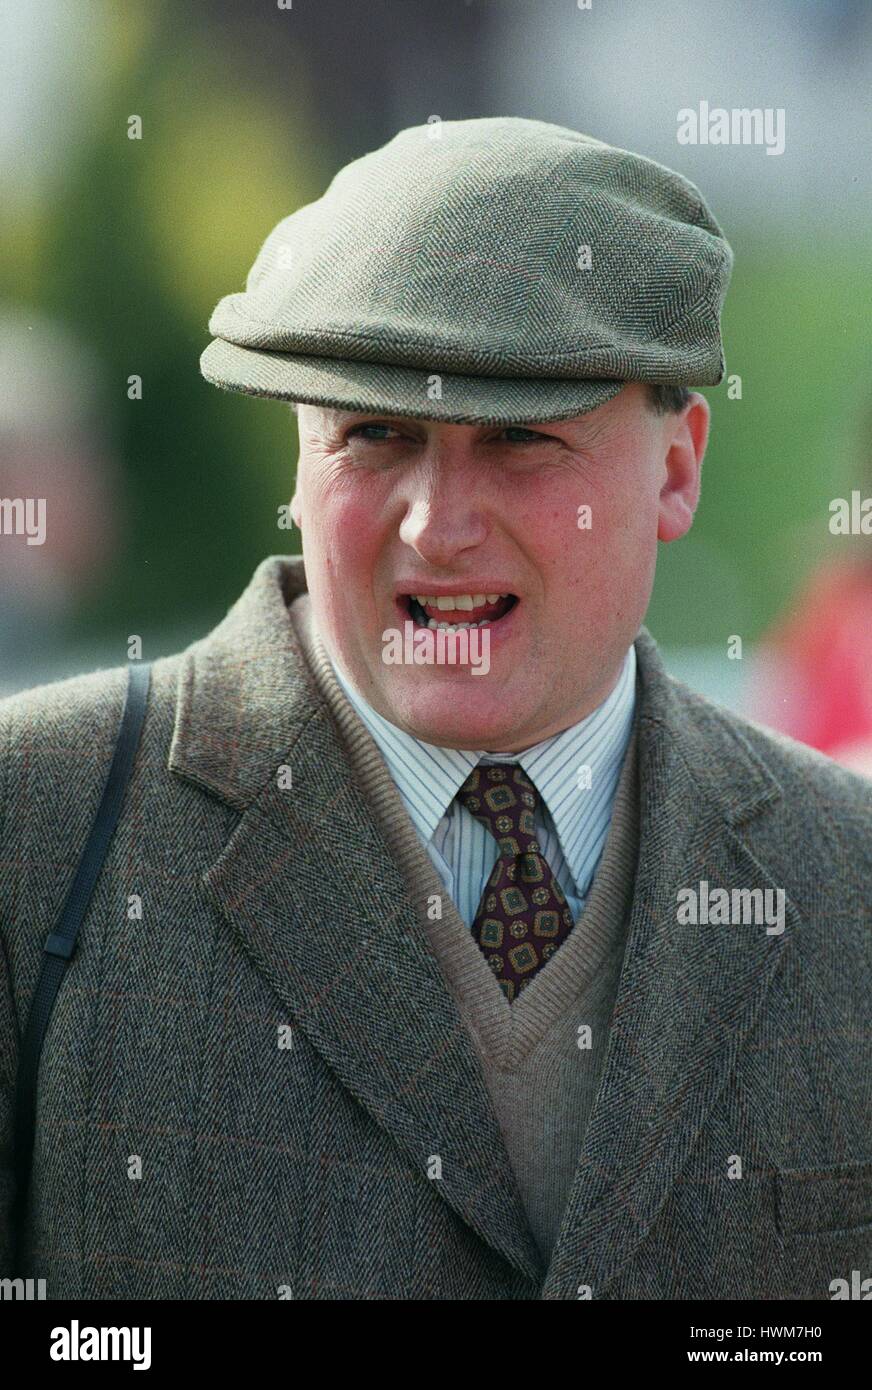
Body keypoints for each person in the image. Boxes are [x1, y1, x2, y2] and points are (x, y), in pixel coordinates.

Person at [1, 118, 870, 1301]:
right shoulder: (34, 834)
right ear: (299, 462)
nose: (432, 524)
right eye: (375, 434)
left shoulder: (845, 876)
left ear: (675, 470)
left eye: (518, 438)